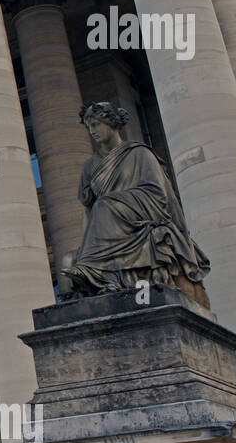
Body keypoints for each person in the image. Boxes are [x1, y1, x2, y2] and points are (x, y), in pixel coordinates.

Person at [61, 102, 210, 304]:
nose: (92, 131)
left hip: (142, 212)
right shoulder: (90, 166)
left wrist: (115, 202)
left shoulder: (139, 153)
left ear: (111, 123)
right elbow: (88, 210)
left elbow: (158, 194)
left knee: (105, 205)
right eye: (89, 127)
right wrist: (84, 250)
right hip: (108, 223)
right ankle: (93, 267)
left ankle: (101, 272)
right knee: (70, 256)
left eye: (95, 124)